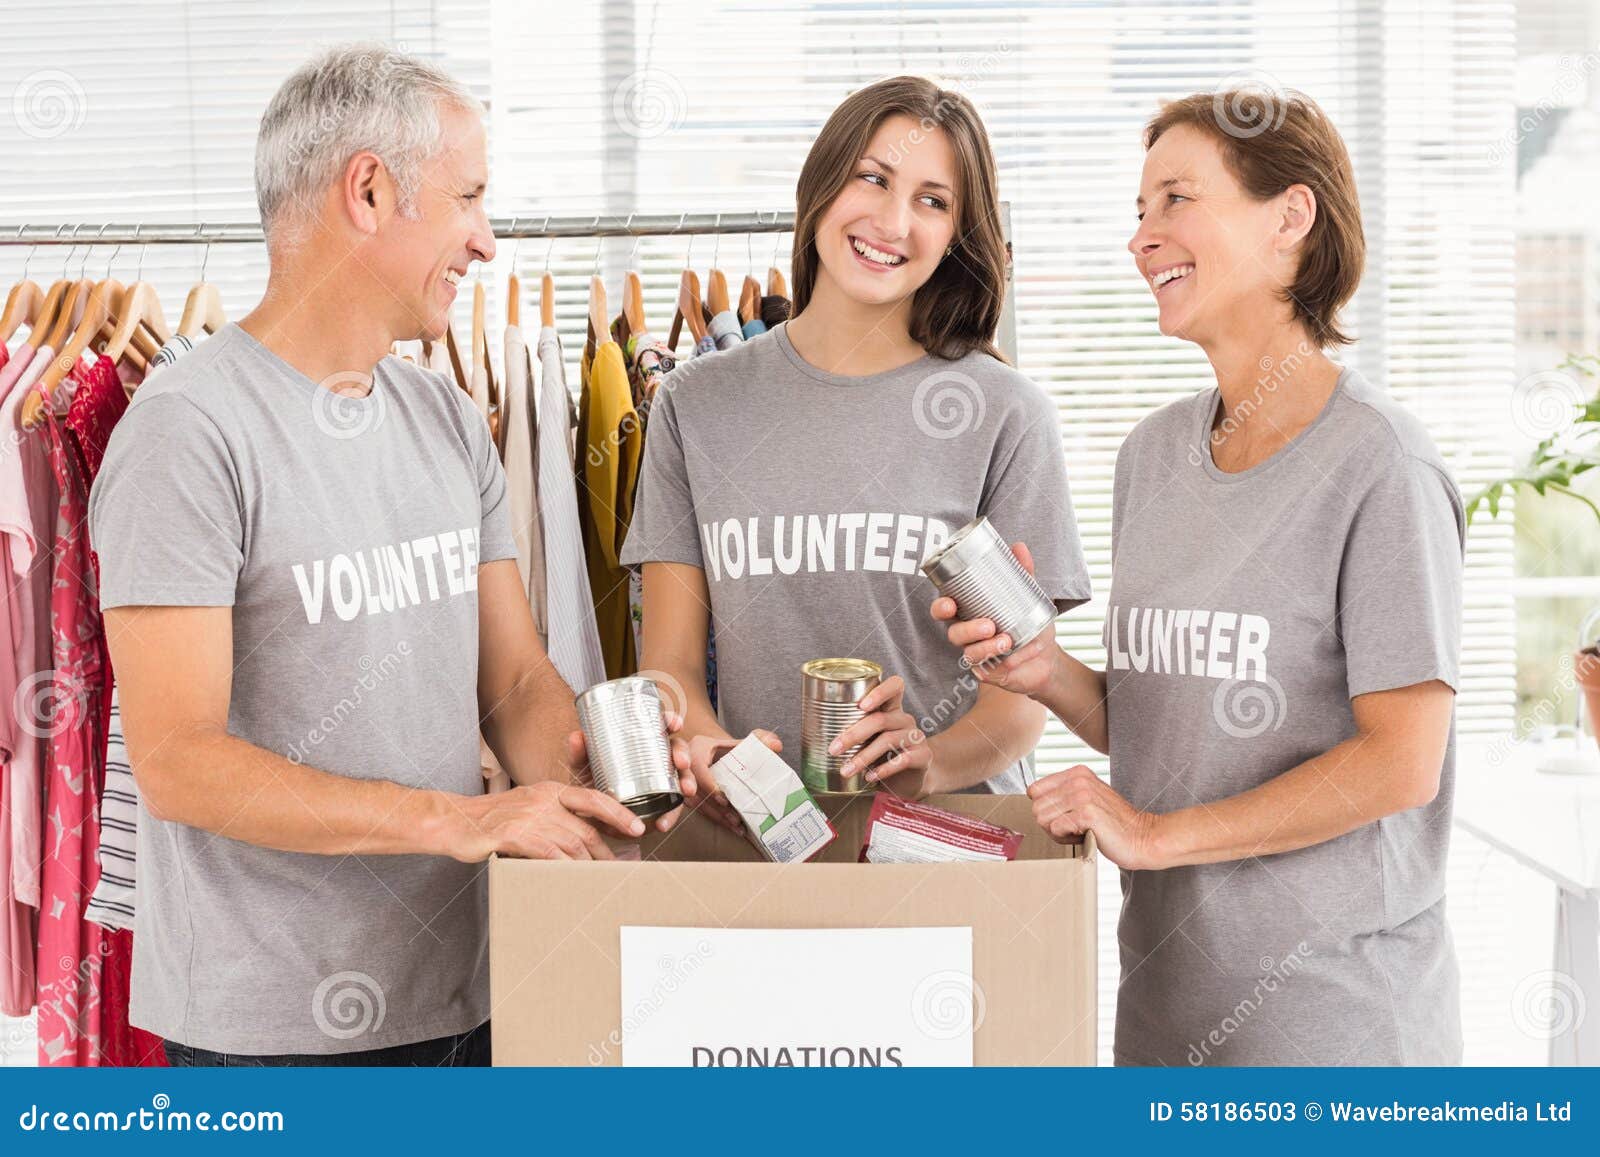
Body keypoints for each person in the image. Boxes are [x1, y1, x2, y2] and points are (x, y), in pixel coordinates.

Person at [89, 44, 692, 1067]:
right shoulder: (187, 430)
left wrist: (602, 775)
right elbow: (179, 760)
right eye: (467, 198)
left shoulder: (445, 418)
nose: (487, 242)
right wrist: (460, 818)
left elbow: (510, 680)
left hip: (473, 991)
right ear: (368, 190)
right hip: (274, 1035)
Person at [936, 90, 1464, 1065]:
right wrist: (1043, 668)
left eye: (1175, 199)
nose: (1143, 237)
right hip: (1167, 1010)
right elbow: (1163, 725)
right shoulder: (1150, 456)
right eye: (1138, 211)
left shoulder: (1380, 465)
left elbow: (1401, 759)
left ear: (1289, 218)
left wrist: (1151, 833)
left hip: (1335, 1029)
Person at [621, 76, 1090, 818]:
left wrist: (930, 762)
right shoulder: (695, 404)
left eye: (933, 201)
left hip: (953, 848)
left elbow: (1022, 700)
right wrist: (734, 774)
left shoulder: (1006, 415)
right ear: (821, 185)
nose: (893, 220)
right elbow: (671, 667)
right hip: (765, 843)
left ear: (956, 236)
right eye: (872, 178)